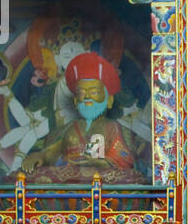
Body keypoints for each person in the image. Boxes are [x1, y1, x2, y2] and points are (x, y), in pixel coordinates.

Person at [20, 52, 146, 184]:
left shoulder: (112, 127)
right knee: (25, 177)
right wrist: (40, 156)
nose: (87, 97)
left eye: (94, 92)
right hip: (68, 178)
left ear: (109, 100)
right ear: (75, 102)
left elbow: (125, 158)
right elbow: (52, 151)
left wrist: (101, 162)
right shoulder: (70, 128)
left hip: (101, 181)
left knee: (129, 178)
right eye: (82, 93)